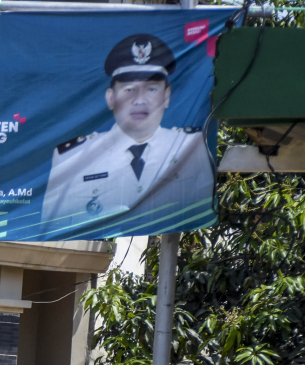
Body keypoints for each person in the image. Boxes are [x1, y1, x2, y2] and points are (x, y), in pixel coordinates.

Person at [40, 33, 214, 231]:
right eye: (129, 89)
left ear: (167, 96)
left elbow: (202, 217)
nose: (140, 100)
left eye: (151, 89)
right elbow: (51, 230)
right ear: (110, 98)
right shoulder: (72, 156)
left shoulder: (191, 148)